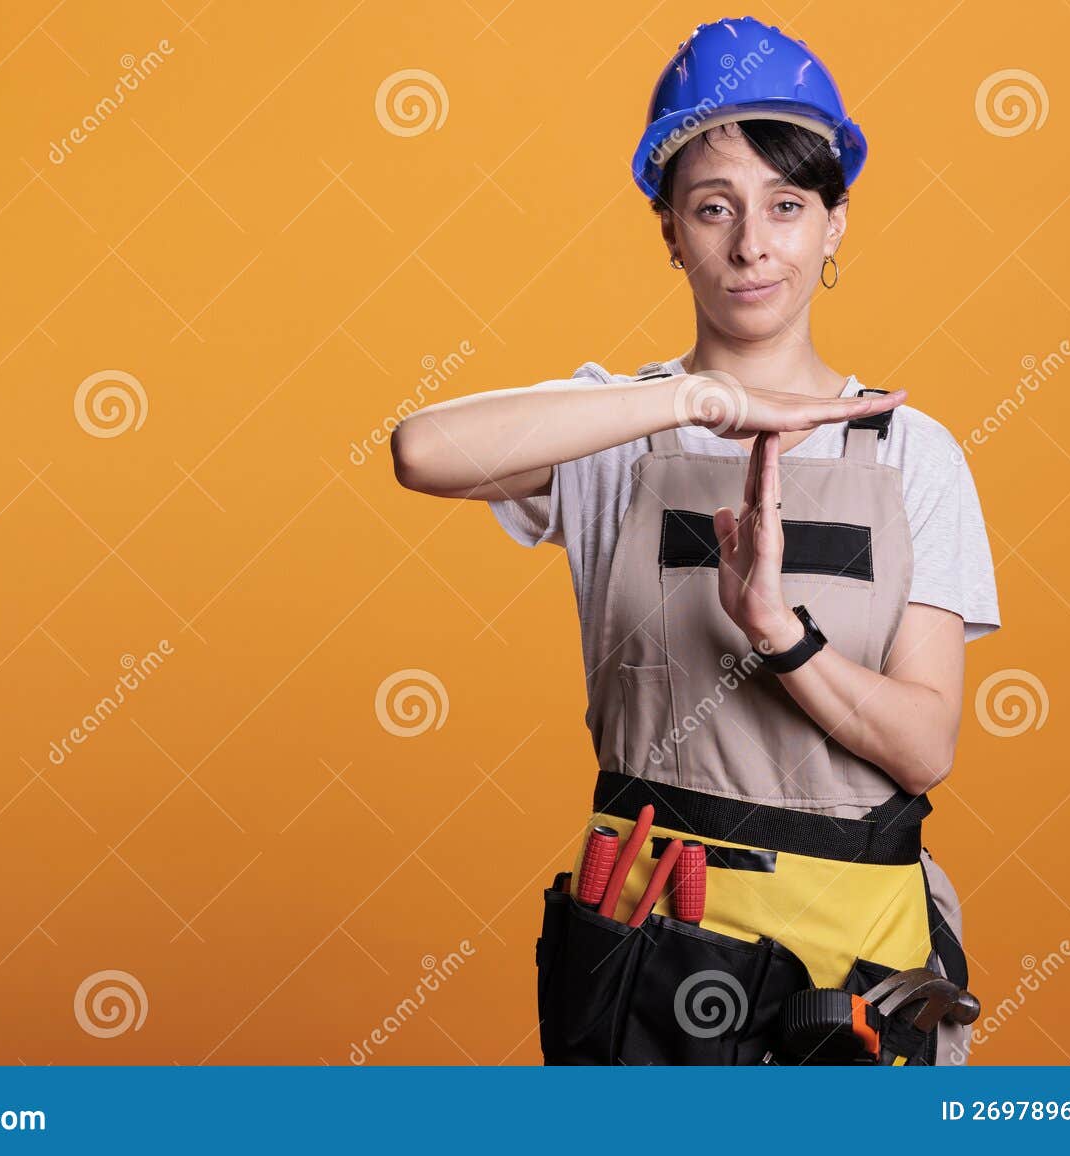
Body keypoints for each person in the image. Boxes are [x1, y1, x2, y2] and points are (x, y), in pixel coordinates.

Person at [392, 16, 1000, 1065]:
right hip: (650, 954)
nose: (752, 244)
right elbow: (420, 449)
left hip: (855, 965)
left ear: (834, 224)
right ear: (670, 230)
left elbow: (923, 746)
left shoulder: (914, 454)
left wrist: (778, 633)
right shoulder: (612, 435)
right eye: (714, 207)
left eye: (787, 205)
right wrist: (692, 400)